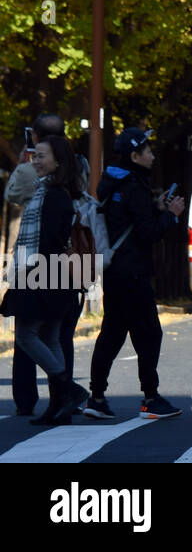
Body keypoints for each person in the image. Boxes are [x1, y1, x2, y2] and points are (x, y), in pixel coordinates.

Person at [86, 128, 187, 420]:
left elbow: (126, 220)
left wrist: (155, 208)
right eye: (147, 151)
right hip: (134, 272)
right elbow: (147, 233)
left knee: (111, 334)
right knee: (149, 334)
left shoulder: (111, 182)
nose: (153, 156)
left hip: (115, 271)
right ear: (134, 155)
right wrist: (171, 215)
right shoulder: (135, 186)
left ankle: (96, 396)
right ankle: (151, 398)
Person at [1, 136, 90, 424]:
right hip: (52, 273)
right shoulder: (49, 190)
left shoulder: (53, 194)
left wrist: (31, 277)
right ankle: (59, 405)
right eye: (34, 156)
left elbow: (51, 240)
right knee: (50, 337)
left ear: (58, 161)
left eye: (41, 156)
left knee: (27, 335)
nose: (35, 161)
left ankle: (68, 389)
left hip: (42, 272)